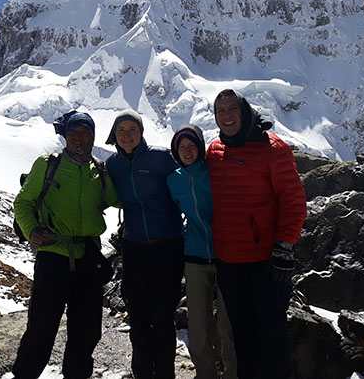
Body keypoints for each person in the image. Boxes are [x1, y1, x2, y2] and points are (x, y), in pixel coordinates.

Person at [206, 89, 306, 379]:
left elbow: (294, 200)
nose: (226, 116)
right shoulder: (215, 151)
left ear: (244, 111)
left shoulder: (272, 149)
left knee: (271, 339)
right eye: (220, 111)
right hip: (229, 262)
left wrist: (285, 246)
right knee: (243, 338)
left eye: (231, 109)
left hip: (266, 262)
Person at [11, 110, 119, 379]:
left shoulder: (100, 171)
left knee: (87, 330)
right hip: (53, 255)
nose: (78, 139)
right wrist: (32, 229)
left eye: (84, 133)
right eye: (73, 133)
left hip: (88, 257)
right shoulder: (48, 164)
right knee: (41, 327)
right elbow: (23, 203)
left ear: (93, 137)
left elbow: (120, 199)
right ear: (65, 136)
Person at [105, 110, 185, 379]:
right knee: (138, 316)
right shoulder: (113, 164)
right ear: (114, 135)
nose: (127, 135)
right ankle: (141, 372)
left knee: (162, 317)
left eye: (132, 129)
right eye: (121, 130)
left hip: (168, 245)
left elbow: (187, 183)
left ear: (141, 132)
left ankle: (164, 373)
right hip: (135, 246)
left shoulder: (161, 157)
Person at [166, 124, 238, 379]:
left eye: (191, 145)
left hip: (226, 255)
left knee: (229, 325)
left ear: (200, 146)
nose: (187, 151)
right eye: (181, 147)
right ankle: (205, 373)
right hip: (195, 257)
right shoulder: (173, 179)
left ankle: (233, 374)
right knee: (198, 325)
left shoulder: (215, 171)